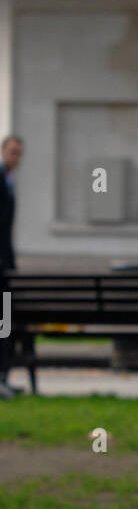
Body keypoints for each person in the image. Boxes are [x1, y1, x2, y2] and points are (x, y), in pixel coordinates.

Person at [0, 134, 24, 399]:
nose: (16, 158)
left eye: (19, 153)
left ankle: (4, 376)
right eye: (13, 152)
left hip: (5, 266)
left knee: (5, 324)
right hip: (2, 268)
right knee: (3, 323)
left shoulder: (8, 181)